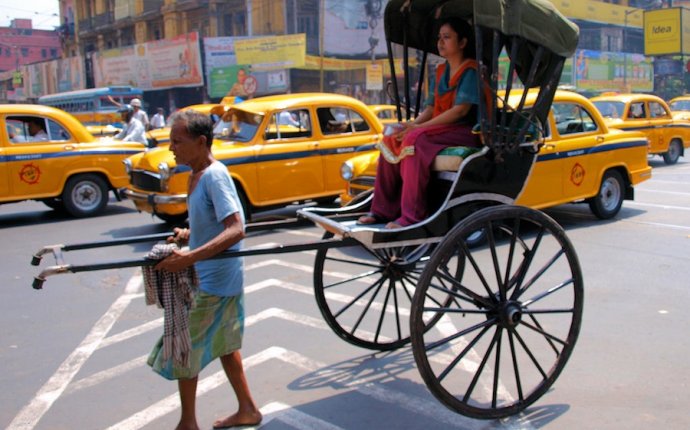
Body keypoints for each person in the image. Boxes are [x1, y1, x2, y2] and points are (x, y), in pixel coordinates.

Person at [151, 110, 262, 430]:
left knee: (185, 349)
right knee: (227, 346)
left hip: (215, 281)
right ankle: (248, 409)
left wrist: (188, 257)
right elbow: (213, 221)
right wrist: (190, 234)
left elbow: (236, 229)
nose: (172, 147)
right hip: (212, 277)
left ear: (201, 142)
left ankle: (187, 423)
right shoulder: (195, 174)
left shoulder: (215, 175)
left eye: (177, 142)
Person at [358, 17, 485, 229]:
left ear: (462, 43)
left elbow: (460, 111)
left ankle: (412, 216)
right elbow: (430, 107)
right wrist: (411, 125)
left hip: (465, 131)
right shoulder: (441, 71)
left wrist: (418, 129)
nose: (441, 42)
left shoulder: (470, 71)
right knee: (391, 134)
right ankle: (382, 210)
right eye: (439, 38)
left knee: (415, 139)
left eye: (447, 37)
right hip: (440, 129)